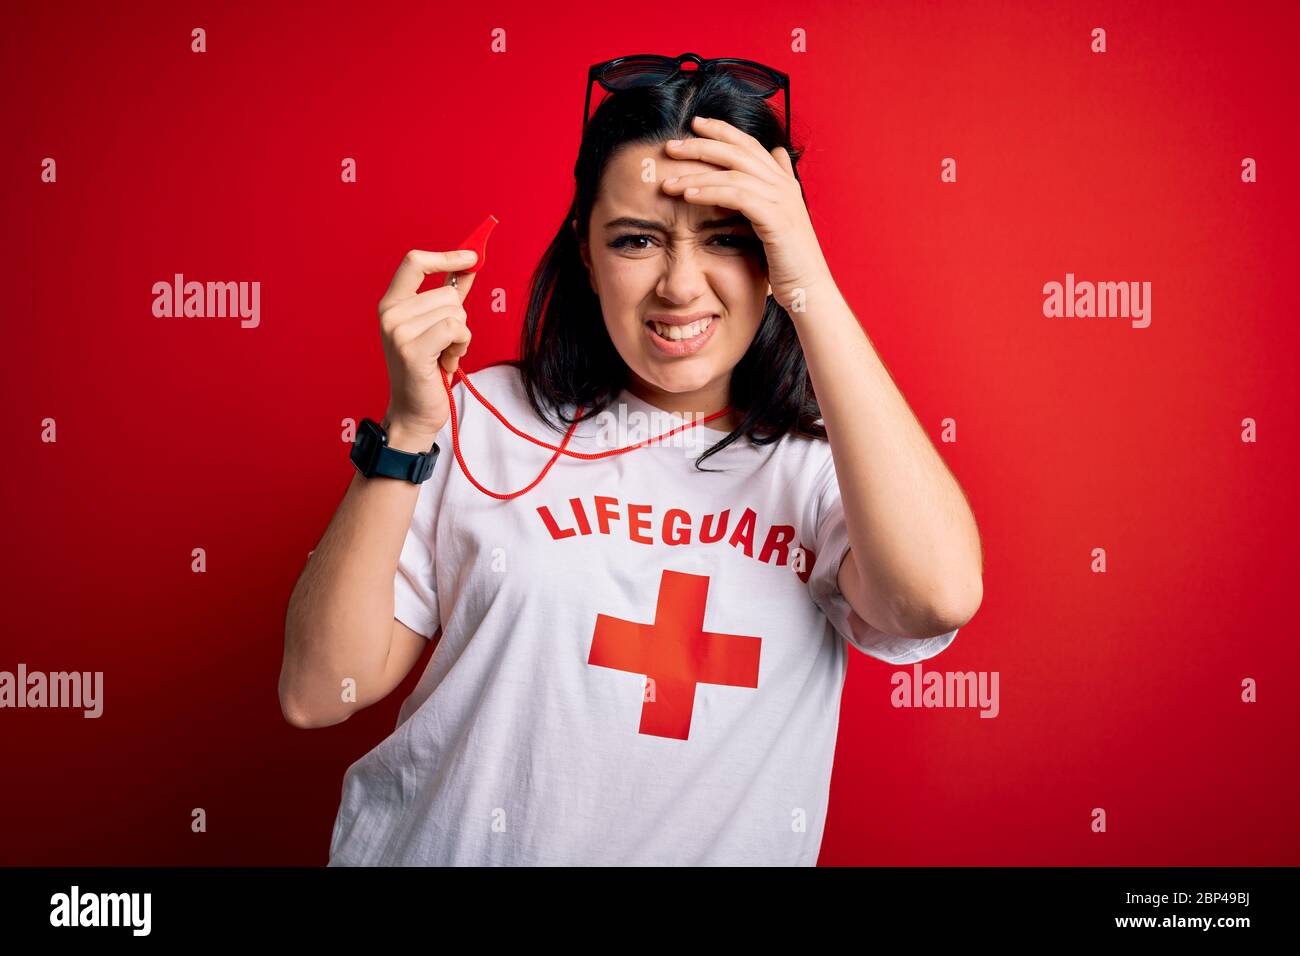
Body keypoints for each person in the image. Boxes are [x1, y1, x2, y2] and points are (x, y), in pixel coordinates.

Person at [280, 54, 983, 866]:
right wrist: (406, 428)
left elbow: (935, 597)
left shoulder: (829, 471)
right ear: (585, 248)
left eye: (728, 238)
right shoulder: (481, 419)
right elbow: (317, 690)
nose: (681, 286)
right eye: (637, 239)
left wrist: (810, 280)